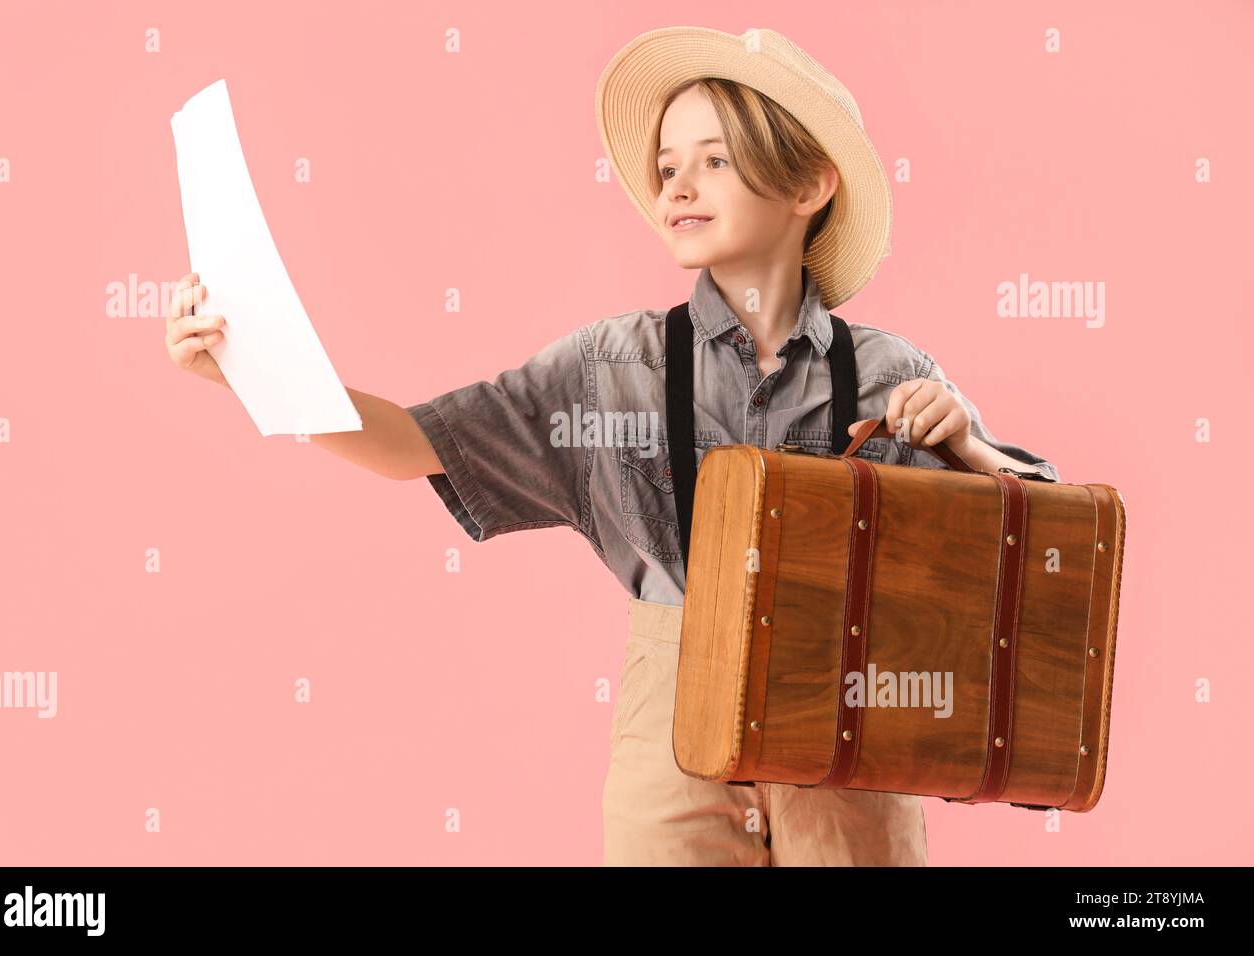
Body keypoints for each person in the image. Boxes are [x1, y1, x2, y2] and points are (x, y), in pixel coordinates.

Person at [163, 26, 1059, 866]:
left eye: (715, 161)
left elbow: (1031, 551)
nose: (675, 186)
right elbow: (410, 442)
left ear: (808, 186)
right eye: (668, 164)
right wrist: (247, 370)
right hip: (669, 741)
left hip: (848, 745)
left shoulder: (891, 371)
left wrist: (971, 450)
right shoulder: (609, 367)